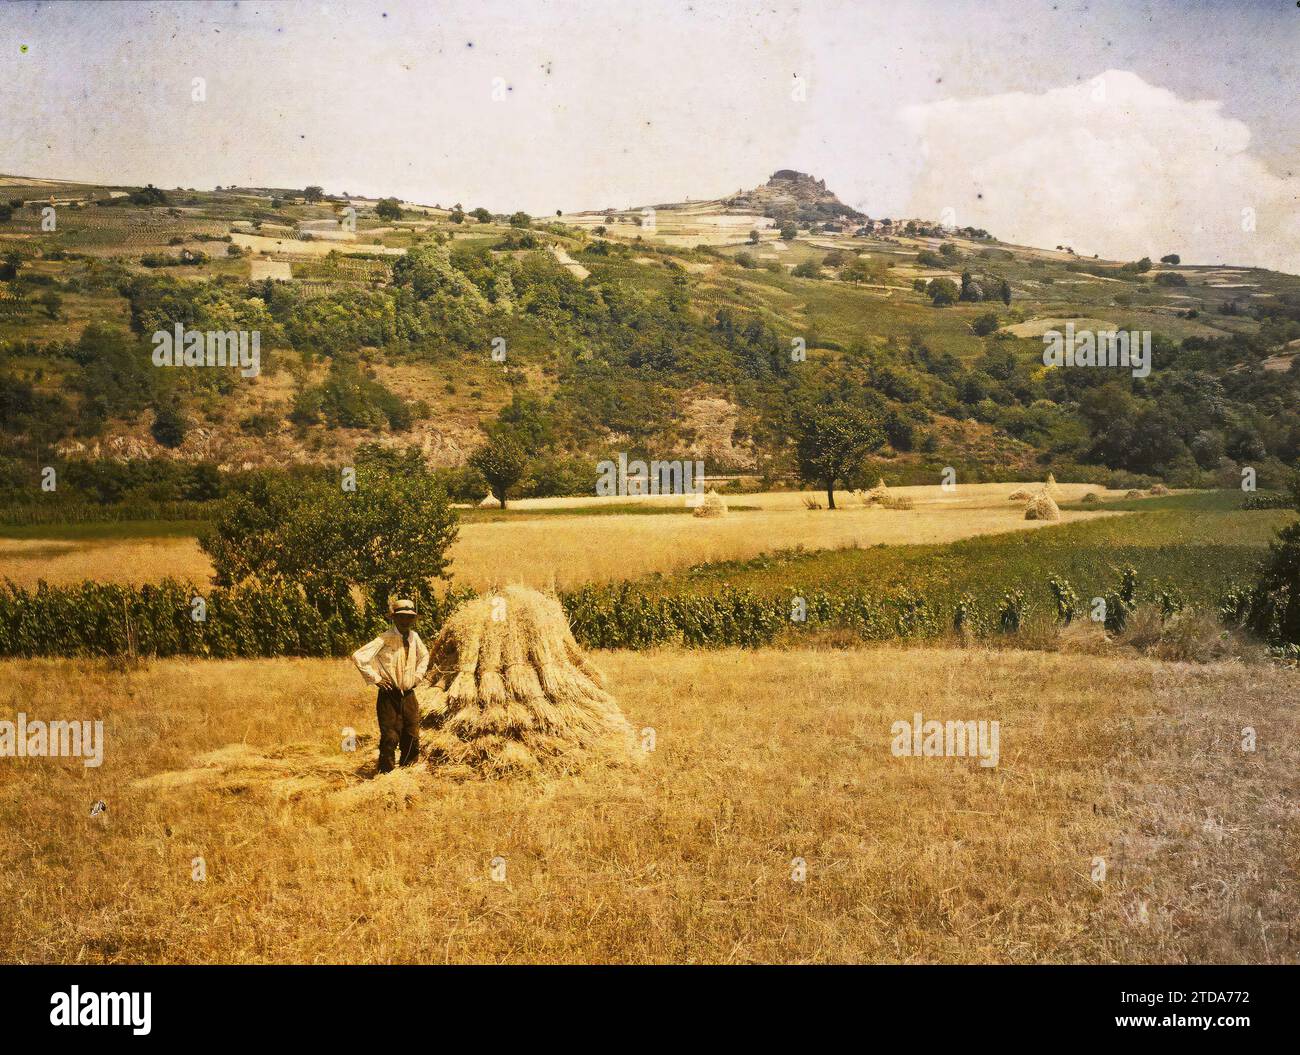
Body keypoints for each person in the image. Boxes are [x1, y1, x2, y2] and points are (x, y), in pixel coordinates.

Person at [352, 598, 430, 772]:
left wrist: (418, 676)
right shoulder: (384, 638)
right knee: (390, 737)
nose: (405, 621)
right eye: (401, 617)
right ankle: (386, 773)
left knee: (411, 735)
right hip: (389, 695)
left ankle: (407, 771)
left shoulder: (414, 637)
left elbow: (425, 656)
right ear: (394, 618)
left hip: (409, 694)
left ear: (413, 619)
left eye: (409, 618)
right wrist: (376, 679)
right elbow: (359, 657)